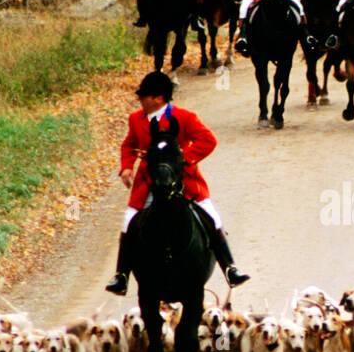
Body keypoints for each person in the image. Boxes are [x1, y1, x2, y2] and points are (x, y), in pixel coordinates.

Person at [106, 71, 248, 295]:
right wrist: (126, 167)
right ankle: (121, 276)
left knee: (212, 217)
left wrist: (183, 159)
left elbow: (208, 140)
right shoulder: (135, 119)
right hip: (148, 184)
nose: (140, 100)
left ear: (159, 99)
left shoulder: (185, 117)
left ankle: (230, 268)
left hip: (184, 182)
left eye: (144, 96)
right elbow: (129, 144)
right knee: (128, 221)